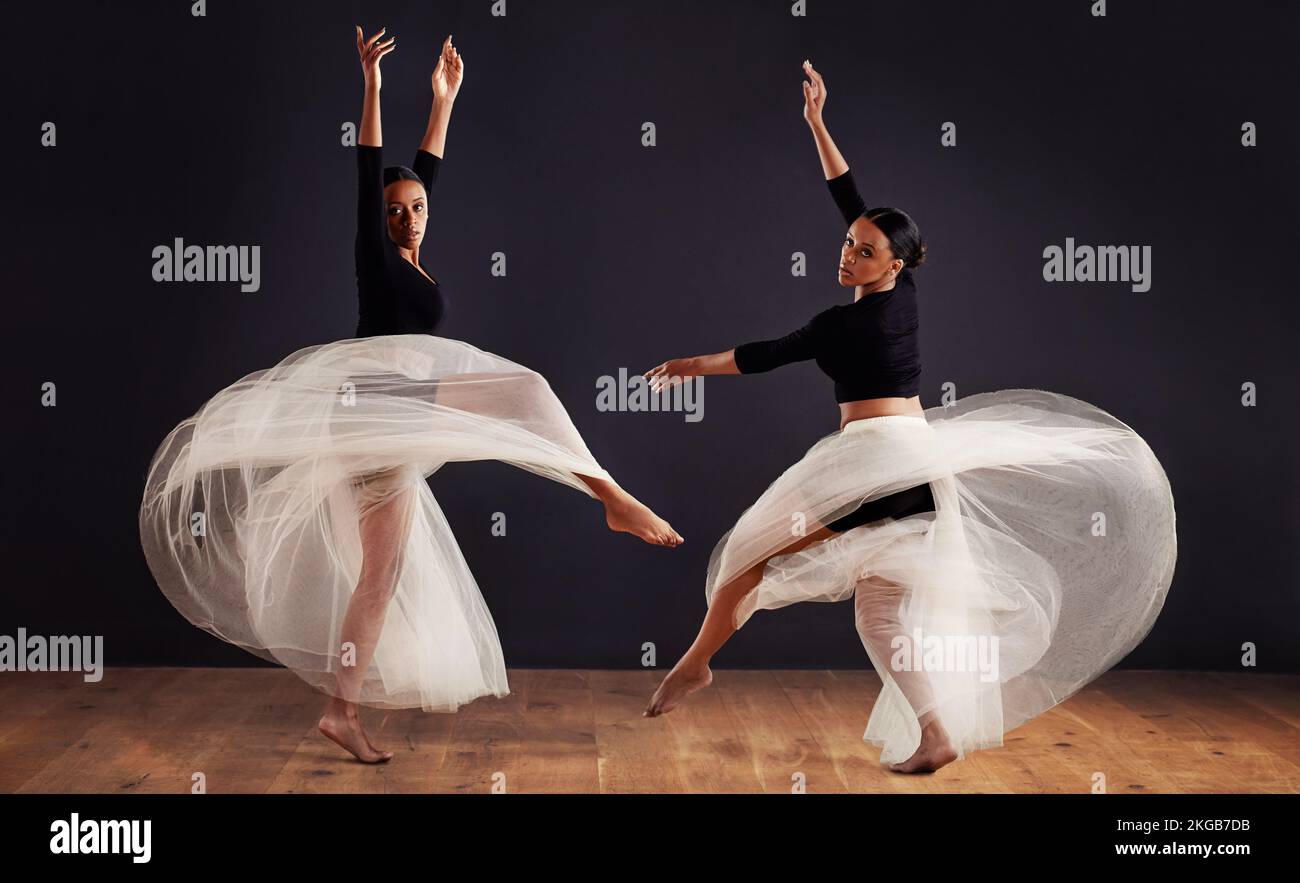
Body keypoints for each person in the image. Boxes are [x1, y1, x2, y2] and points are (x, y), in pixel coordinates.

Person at [139, 28, 682, 765]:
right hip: (375, 409)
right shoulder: (377, 253)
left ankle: (341, 710)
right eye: (395, 211)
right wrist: (372, 86)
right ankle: (611, 496)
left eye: (418, 208)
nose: (407, 218)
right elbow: (373, 169)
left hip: (399, 416)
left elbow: (425, 168)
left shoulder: (417, 243)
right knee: (526, 389)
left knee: (382, 573)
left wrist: (444, 99)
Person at [640, 60, 1176, 774]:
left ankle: (697, 662)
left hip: (868, 462)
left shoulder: (838, 326)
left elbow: (760, 355)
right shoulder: (904, 291)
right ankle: (935, 730)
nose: (850, 253)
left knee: (745, 556)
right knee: (878, 613)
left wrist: (688, 366)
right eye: (849, 244)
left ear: (894, 264)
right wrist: (818, 124)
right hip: (917, 464)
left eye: (864, 252)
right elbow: (849, 197)